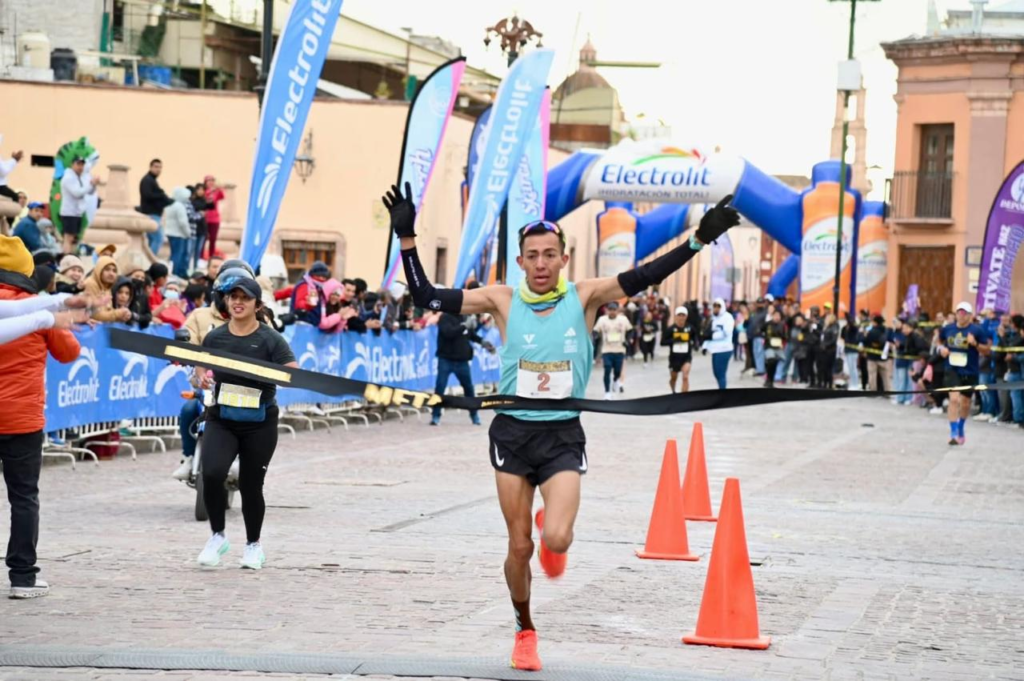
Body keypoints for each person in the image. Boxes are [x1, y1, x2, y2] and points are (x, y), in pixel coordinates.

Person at [383, 182, 738, 671]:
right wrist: (406, 236)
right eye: (533, 256)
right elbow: (425, 296)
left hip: (561, 436)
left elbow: (647, 274)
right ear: (522, 262)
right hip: (511, 432)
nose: (542, 263)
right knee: (519, 546)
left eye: (551, 254)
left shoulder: (586, 295)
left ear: (564, 259)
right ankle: (525, 629)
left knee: (557, 541)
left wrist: (699, 239)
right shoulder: (501, 298)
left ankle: (548, 521)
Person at [192, 266, 297, 569]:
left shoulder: (270, 339)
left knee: (252, 485)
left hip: (259, 422)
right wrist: (201, 378)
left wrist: (273, 374)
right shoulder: (215, 337)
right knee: (211, 474)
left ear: (257, 305)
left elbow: (292, 370)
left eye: (244, 298)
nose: (237, 303)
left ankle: (253, 545)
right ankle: (217, 536)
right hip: (222, 417)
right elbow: (200, 363)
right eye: (232, 298)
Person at [0, 235, 81, 599]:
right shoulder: (36, 311)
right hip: (21, 419)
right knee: (24, 497)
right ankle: (22, 577)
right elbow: (69, 353)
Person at [171, 261, 235, 481]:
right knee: (189, 410)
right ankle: (189, 457)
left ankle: (244, 460)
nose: (234, 299)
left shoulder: (254, 319)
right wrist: (182, 350)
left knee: (254, 419)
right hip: (207, 386)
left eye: (239, 294)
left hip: (240, 389)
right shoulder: (200, 315)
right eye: (228, 293)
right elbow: (187, 339)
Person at [430, 283, 495, 426]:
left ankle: (474, 415)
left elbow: (470, 334)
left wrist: (483, 342)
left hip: (461, 361)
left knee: (469, 389)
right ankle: (435, 415)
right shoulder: (445, 318)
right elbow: (449, 333)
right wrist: (464, 326)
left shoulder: (463, 317)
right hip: (446, 359)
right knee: (440, 388)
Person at [938, 302, 991, 445]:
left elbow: (987, 350)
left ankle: (960, 427)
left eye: (964, 313)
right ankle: (953, 433)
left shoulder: (977, 330)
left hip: (970, 370)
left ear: (970, 315)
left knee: (966, 403)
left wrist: (975, 344)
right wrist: (941, 349)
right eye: (959, 313)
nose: (961, 316)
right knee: (954, 400)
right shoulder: (948, 329)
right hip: (952, 369)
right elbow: (939, 341)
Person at [58, 157, 99, 253]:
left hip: (77, 212)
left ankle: (71, 255)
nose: (80, 167)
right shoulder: (68, 177)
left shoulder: (79, 177)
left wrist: (93, 184)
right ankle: (66, 257)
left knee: (74, 239)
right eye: (78, 164)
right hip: (69, 212)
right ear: (72, 165)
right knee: (68, 238)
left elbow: (90, 192)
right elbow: (77, 193)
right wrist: (90, 184)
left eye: (82, 164)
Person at [593, 302, 633, 400]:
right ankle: (607, 392)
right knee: (607, 369)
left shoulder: (623, 320)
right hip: (607, 349)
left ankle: (616, 380)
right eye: (610, 310)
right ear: (607, 310)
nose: (612, 312)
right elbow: (595, 331)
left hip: (619, 349)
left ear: (617, 310)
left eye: (614, 310)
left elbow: (631, 330)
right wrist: (596, 336)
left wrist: (627, 340)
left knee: (618, 371)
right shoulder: (602, 320)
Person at [139, 159, 170, 255]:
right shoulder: (147, 180)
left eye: (160, 167)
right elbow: (147, 195)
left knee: (153, 240)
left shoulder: (152, 180)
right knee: (158, 238)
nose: (158, 169)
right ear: (151, 167)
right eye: (156, 167)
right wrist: (161, 195)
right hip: (151, 215)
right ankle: (150, 262)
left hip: (154, 215)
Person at [663, 306, 698, 393]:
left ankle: (684, 397)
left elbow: (695, 338)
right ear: (676, 316)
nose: (681, 317)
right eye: (679, 315)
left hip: (686, 357)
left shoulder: (690, 328)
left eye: (683, 315)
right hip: (674, 358)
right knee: (673, 378)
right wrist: (674, 340)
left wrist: (695, 344)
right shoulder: (671, 329)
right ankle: (673, 391)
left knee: (685, 377)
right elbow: (662, 342)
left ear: (686, 316)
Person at [703, 297, 735, 389]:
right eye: (715, 306)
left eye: (718, 306)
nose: (716, 308)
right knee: (716, 373)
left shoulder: (728, 317)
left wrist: (712, 336)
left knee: (721, 374)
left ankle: (722, 394)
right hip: (715, 349)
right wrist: (705, 346)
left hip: (724, 349)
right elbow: (708, 332)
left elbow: (727, 332)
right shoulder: (712, 318)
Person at [163, 187, 193, 278]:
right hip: (179, 234)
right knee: (178, 255)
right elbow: (183, 222)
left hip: (170, 232)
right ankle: (175, 273)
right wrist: (188, 233)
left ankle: (172, 271)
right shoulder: (179, 206)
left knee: (173, 254)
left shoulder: (169, 205)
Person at [863, 315, 892, 393]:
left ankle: (873, 391)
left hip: (872, 357)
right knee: (885, 376)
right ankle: (887, 391)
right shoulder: (886, 331)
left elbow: (865, 341)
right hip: (883, 356)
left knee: (872, 375)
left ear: (875, 322)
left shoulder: (871, 332)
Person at [763, 308, 787, 388]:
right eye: (775, 315)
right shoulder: (767, 324)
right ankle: (769, 379)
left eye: (778, 316)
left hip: (778, 347)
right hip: (769, 346)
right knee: (771, 361)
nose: (777, 317)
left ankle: (771, 379)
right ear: (772, 316)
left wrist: (783, 342)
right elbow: (761, 331)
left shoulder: (783, 325)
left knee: (778, 362)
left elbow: (785, 336)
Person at [203, 176, 225, 260]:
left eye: (212, 180)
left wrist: (218, 188)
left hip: (215, 219)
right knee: (204, 238)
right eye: (209, 181)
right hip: (205, 218)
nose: (211, 182)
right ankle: (201, 257)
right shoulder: (203, 191)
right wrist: (209, 191)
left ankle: (211, 256)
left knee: (213, 239)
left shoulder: (216, 192)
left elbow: (222, 195)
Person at [842, 312, 862, 390]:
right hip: (848, 349)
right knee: (850, 368)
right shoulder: (846, 328)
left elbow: (851, 324)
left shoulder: (854, 328)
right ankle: (852, 383)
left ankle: (855, 384)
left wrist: (847, 316)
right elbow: (843, 336)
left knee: (853, 368)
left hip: (853, 350)